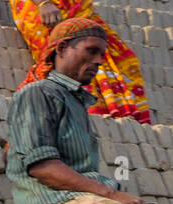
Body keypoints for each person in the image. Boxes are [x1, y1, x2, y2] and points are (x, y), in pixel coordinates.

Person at [6, 17, 173, 204]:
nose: (98, 60)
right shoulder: (37, 94)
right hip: (55, 203)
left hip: (88, 199)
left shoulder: (76, 103)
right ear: (61, 49)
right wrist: (112, 195)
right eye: (92, 51)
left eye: (102, 54)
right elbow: (43, 167)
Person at [10, 0, 150, 123]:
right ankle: (86, 112)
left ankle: (115, 114)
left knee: (120, 56)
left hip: (77, 6)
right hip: (44, 7)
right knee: (74, 56)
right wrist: (43, 3)